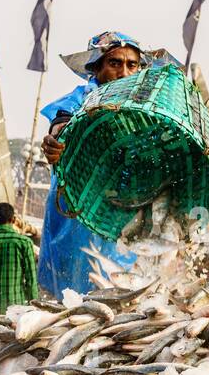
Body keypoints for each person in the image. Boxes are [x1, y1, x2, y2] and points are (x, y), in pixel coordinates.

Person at [37, 32, 161, 297]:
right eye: (115, 63)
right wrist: (56, 142)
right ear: (96, 68)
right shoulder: (82, 98)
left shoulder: (149, 108)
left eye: (132, 65)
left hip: (125, 217)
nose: (124, 72)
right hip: (77, 218)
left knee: (127, 297)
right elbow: (61, 124)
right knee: (72, 298)